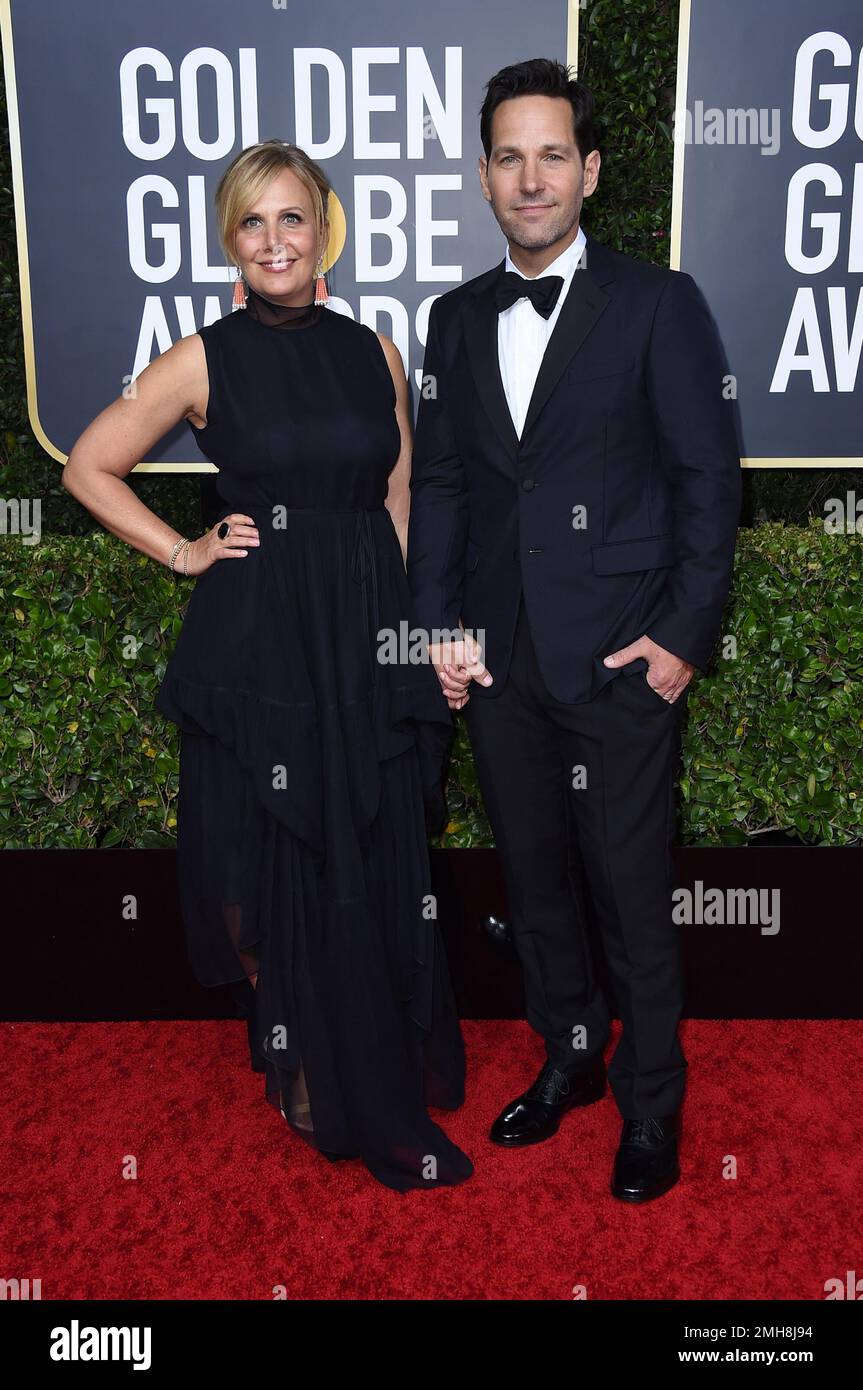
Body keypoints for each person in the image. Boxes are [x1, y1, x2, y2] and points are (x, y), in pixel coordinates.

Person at [61, 138, 473, 1194]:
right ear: (228, 240)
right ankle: (295, 1051)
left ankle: (369, 1048)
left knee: (370, 843)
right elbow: (89, 465)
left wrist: (422, 633)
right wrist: (182, 550)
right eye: (253, 222)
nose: (275, 241)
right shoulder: (201, 356)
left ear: (322, 228)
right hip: (261, 636)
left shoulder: (373, 350)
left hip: (363, 625)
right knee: (260, 864)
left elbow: (400, 498)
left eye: (293, 219)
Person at [407, 60, 741, 1203]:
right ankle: (570, 1057)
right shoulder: (450, 322)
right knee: (536, 885)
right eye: (508, 155)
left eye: (553, 154)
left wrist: (680, 643)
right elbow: (443, 486)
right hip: (499, 663)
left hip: (616, 663)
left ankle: (652, 1104)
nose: (530, 177)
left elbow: (707, 480)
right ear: (484, 175)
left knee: (628, 893)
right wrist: (439, 628)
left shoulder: (658, 303)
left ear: (589, 171)